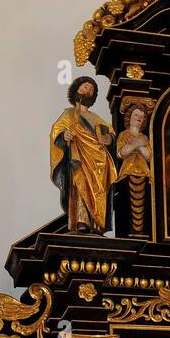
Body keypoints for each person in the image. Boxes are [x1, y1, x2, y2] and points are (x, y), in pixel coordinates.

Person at [50, 76, 116, 233]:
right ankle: (83, 221)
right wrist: (64, 136)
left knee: (99, 190)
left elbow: (111, 134)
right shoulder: (69, 114)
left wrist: (108, 138)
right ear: (76, 90)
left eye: (91, 89)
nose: (89, 90)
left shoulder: (97, 118)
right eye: (85, 87)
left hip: (99, 161)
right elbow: (57, 131)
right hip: (79, 156)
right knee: (80, 185)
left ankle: (97, 223)